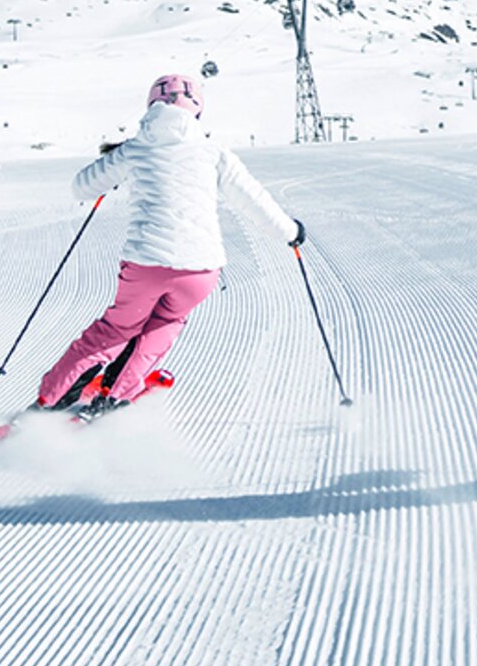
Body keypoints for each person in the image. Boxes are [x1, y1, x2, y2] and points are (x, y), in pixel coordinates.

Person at [33, 74, 300, 412]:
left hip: (146, 264)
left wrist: (114, 165)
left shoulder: (135, 149)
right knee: (163, 326)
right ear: (197, 112)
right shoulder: (214, 152)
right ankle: (115, 394)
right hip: (200, 270)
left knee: (116, 328)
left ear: (151, 107)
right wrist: (291, 233)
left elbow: (81, 187)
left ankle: (51, 397)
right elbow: (255, 201)